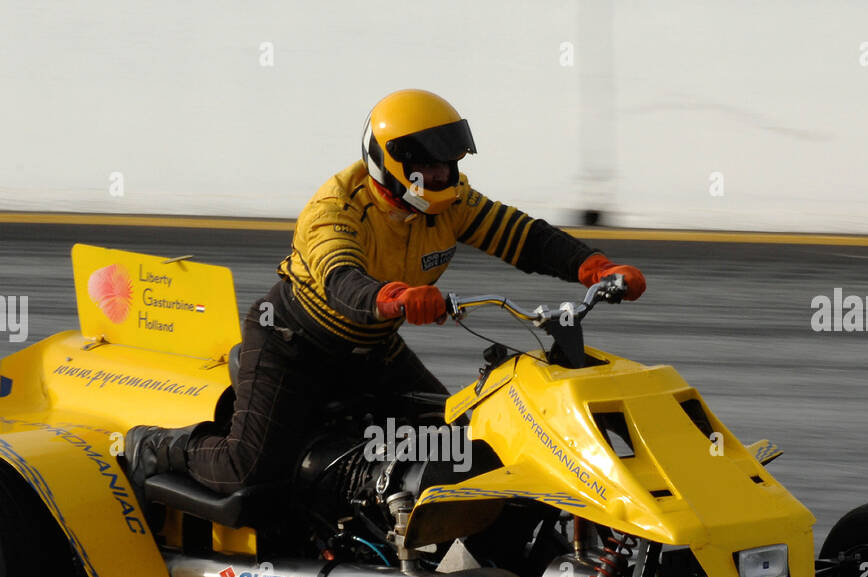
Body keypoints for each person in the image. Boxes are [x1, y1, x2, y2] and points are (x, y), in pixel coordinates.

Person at [125, 88, 645, 499]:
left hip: (372, 347)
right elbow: (341, 280)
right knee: (250, 467)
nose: (446, 173)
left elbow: (520, 235)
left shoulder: (449, 200)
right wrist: (395, 296)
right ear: (398, 161)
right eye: (435, 163)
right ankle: (156, 446)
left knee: (455, 439)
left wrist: (592, 266)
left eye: (451, 162)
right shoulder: (335, 208)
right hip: (292, 343)